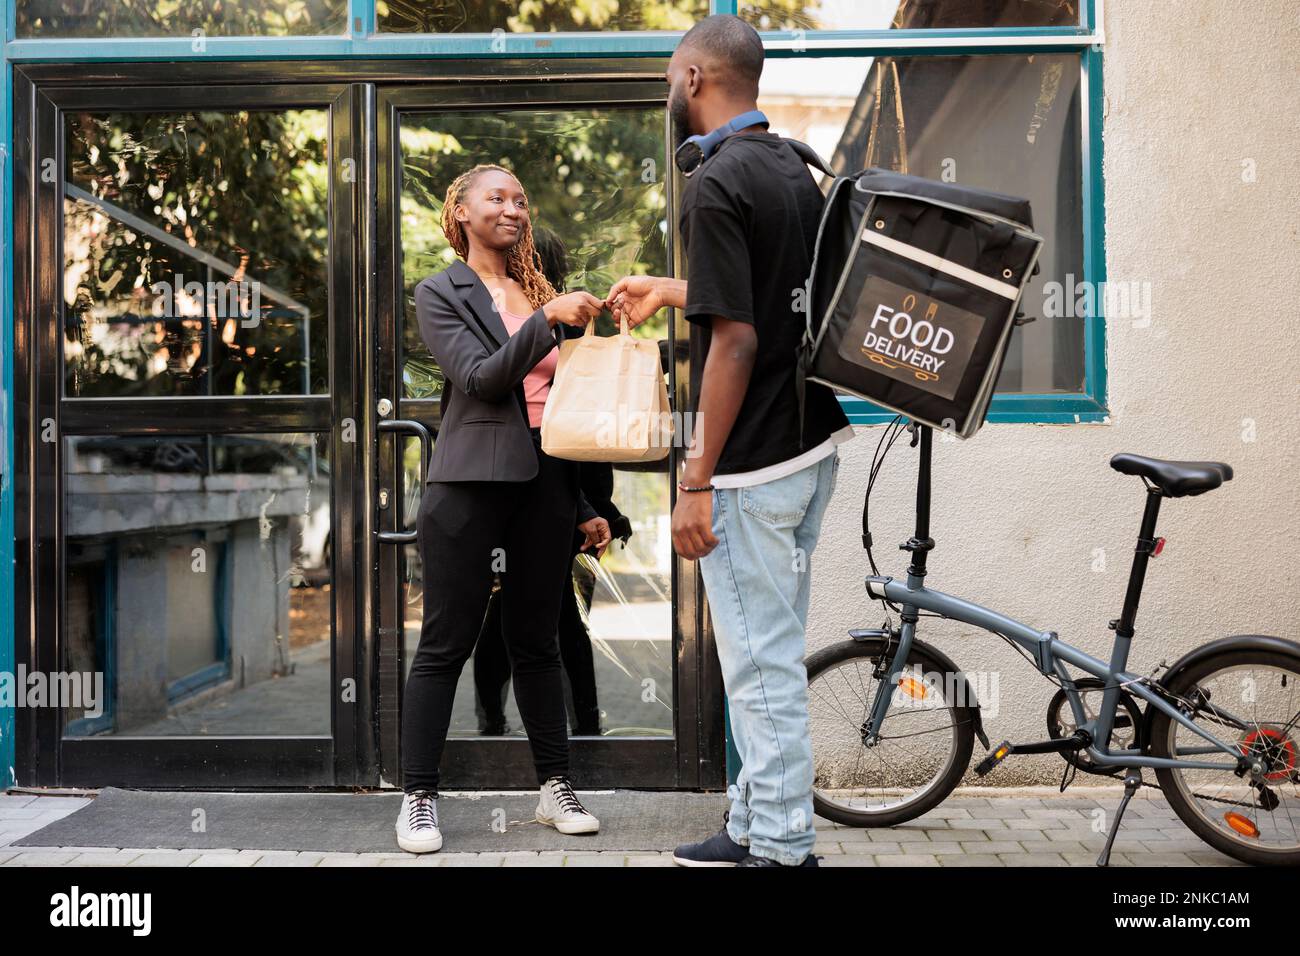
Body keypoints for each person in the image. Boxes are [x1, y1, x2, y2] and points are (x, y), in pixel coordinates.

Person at [606, 14, 854, 867]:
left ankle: (785, 847)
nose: (669, 90)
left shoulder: (714, 183)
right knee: (767, 650)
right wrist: (674, 289)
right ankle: (751, 825)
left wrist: (694, 479)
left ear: (696, 78)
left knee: (760, 672)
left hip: (749, 468)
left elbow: (739, 340)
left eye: (672, 75)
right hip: (808, 449)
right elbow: (771, 294)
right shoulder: (795, 168)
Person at [397, 164, 613, 854]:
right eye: (497, 198)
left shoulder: (533, 289)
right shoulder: (440, 292)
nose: (513, 209)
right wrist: (546, 320)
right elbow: (483, 380)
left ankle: (555, 786)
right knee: (445, 643)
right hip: (467, 487)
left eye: (520, 199)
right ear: (461, 211)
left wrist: (581, 500)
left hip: (545, 483)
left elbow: (553, 408)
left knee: (539, 641)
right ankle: (419, 798)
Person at [471, 226, 634, 739]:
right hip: (557, 492)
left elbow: (570, 426)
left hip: (567, 495)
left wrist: (591, 509)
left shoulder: (561, 326)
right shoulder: (539, 327)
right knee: (548, 618)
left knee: (538, 618)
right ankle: (568, 728)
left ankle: (532, 728)